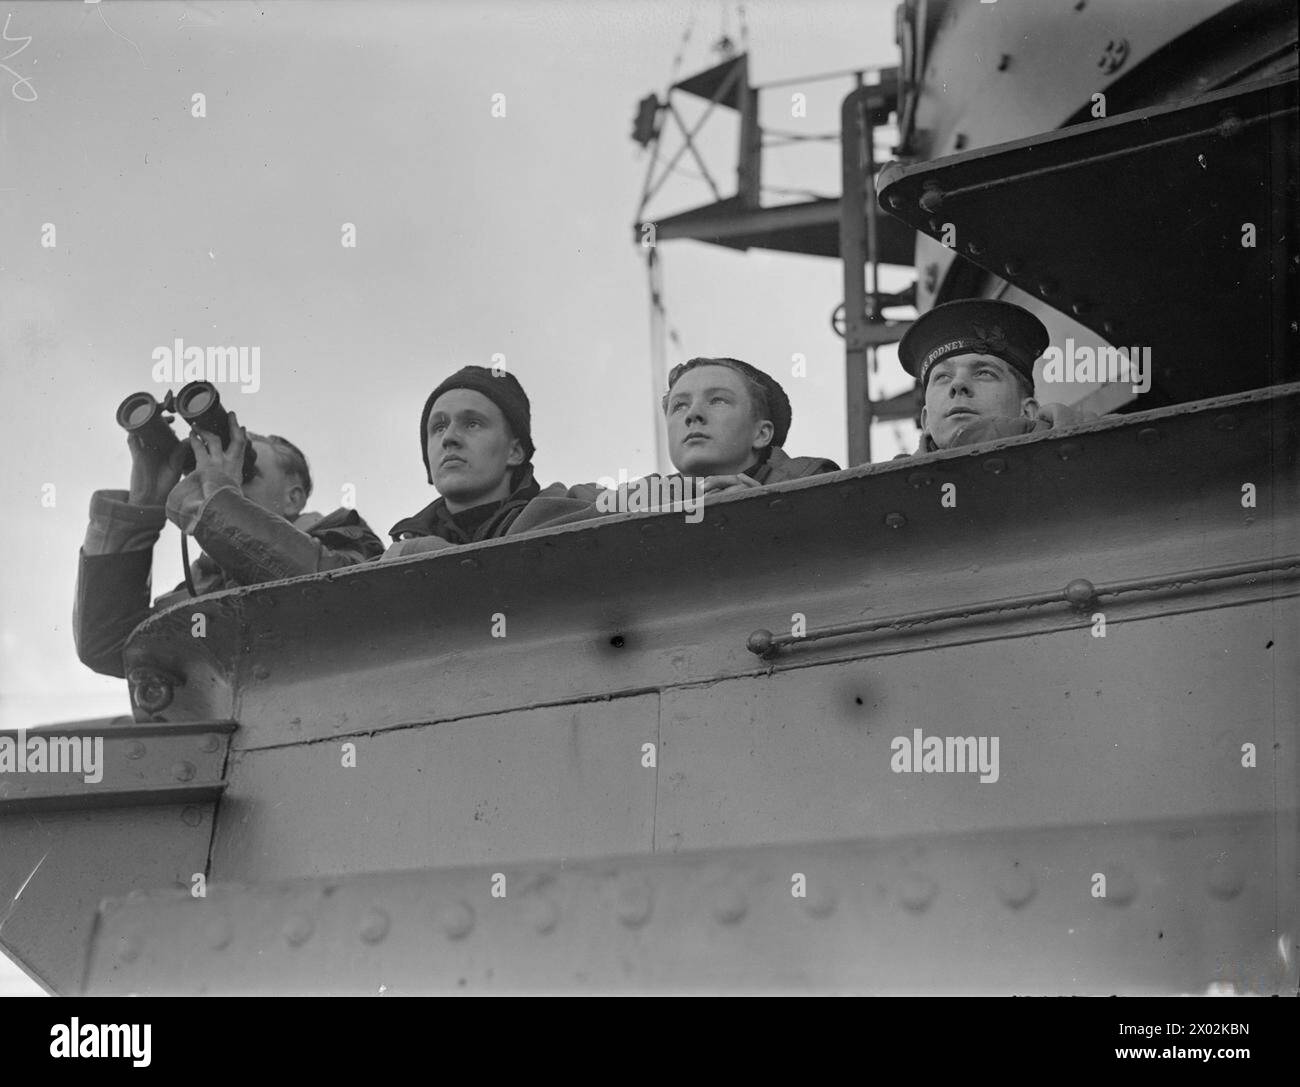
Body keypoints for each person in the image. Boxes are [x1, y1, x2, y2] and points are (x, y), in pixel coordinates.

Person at [74, 413, 384, 678]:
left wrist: (219, 504)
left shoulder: (347, 536)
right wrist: (141, 510)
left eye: (245, 470)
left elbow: (332, 593)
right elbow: (108, 644)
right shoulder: (200, 587)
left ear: (294, 498)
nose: (221, 477)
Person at [505, 356, 840, 535]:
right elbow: (528, 530)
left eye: (718, 401)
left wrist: (762, 510)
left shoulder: (810, 483)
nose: (692, 414)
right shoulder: (646, 495)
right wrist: (675, 504)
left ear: (762, 434)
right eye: (679, 406)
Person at [384, 366, 565, 558]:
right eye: (439, 427)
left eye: (472, 424)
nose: (449, 437)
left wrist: (422, 554)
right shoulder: (392, 553)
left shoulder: (571, 514)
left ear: (515, 451)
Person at [897, 298, 1097, 454]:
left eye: (984, 373)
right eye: (942, 377)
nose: (958, 384)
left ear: (1028, 411)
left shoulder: (1093, 447)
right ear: (926, 422)